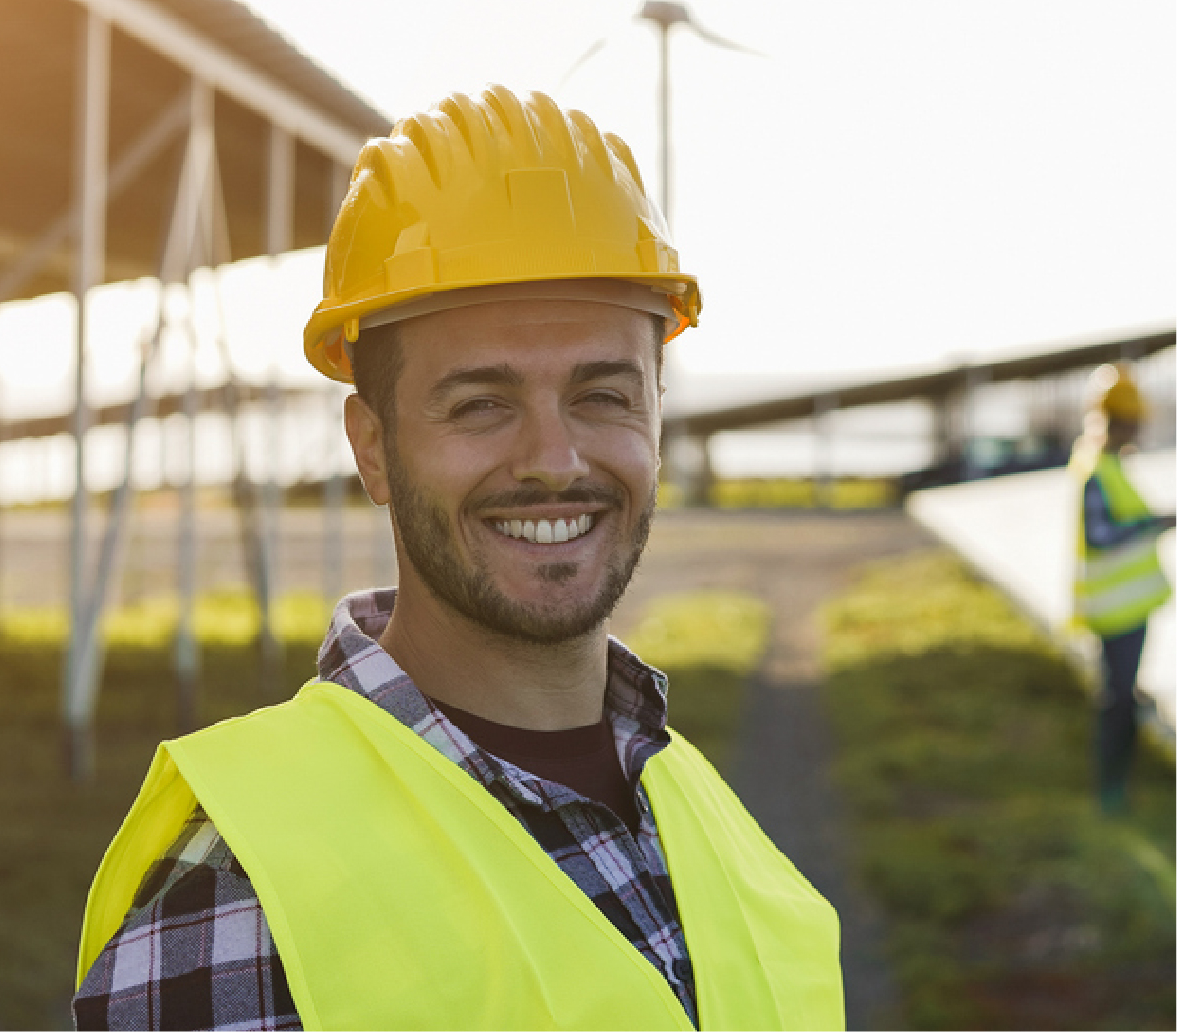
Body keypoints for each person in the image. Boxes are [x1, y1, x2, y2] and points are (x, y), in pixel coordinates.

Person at [72, 87, 844, 1031]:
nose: (555, 461)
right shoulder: (241, 892)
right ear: (372, 446)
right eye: (481, 404)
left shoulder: (706, 813)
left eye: (604, 395)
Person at [1069, 363, 1174, 815]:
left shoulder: (1109, 464)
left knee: (1123, 697)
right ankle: (1111, 793)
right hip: (1116, 613)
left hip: (1128, 607)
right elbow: (1102, 537)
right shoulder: (1098, 470)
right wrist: (1154, 523)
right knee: (1117, 702)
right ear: (1121, 421)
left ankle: (1119, 784)